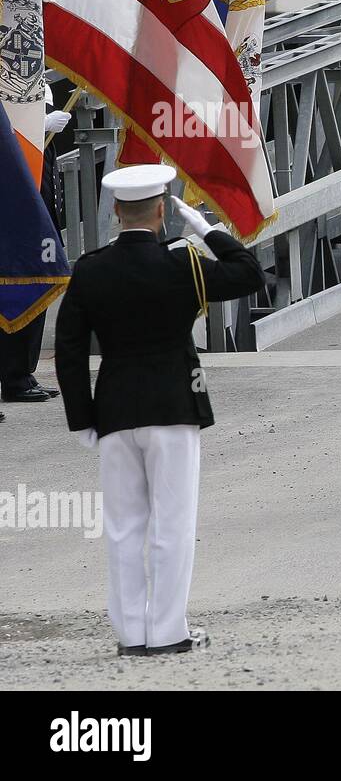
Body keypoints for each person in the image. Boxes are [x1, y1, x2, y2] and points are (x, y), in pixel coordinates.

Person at [54, 164, 265, 656]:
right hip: (173, 405)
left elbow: (68, 349)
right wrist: (205, 226)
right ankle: (168, 631)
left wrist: (82, 417)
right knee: (172, 525)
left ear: (116, 212)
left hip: (115, 410)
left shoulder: (90, 267)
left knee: (125, 527)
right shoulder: (182, 262)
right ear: (163, 209)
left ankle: (131, 636)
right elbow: (249, 274)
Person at [0, 97, 73, 410]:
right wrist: (39, 125)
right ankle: (14, 377)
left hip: (40, 215)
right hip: (21, 221)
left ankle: (24, 373)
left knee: (40, 286)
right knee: (23, 287)